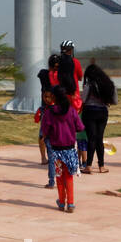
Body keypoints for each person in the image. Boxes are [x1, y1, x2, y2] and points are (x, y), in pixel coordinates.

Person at [42, 85, 83, 213]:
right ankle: (70, 203)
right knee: (69, 177)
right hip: (70, 150)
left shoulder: (49, 113)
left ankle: (61, 202)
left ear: (54, 97)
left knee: (59, 176)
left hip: (56, 150)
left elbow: (45, 130)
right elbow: (80, 127)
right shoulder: (71, 111)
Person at [80, 63, 117, 174]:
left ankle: (89, 166)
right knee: (99, 139)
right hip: (103, 112)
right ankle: (101, 166)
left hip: (90, 112)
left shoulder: (89, 85)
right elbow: (115, 101)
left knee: (91, 138)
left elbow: (83, 100)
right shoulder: (109, 84)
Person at [36, 54, 60, 166]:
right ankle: (45, 157)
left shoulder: (43, 73)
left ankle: (44, 157)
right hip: (49, 107)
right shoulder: (53, 75)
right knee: (45, 132)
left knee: (44, 132)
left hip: (47, 106)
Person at [33, 89, 57, 190]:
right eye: (45, 97)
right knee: (53, 159)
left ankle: (52, 181)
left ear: (53, 98)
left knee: (52, 159)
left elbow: (37, 120)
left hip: (47, 135)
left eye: (48, 97)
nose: (46, 99)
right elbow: (36, 120)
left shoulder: (45, 109)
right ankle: (53, 181)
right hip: (51, 136)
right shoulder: (51, 109)